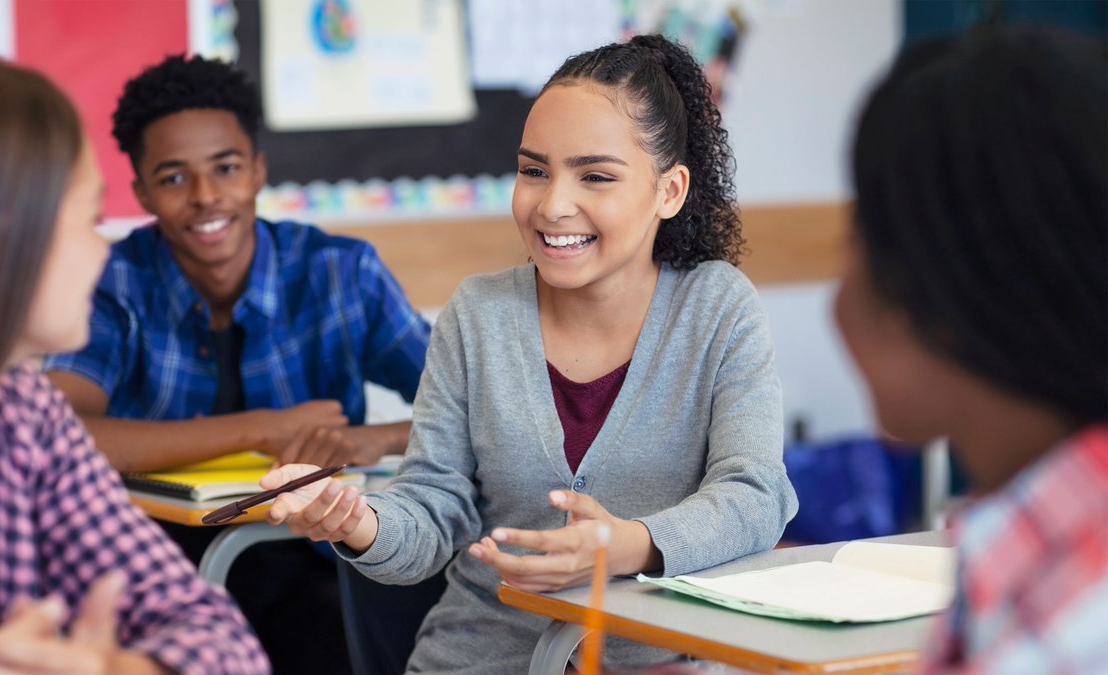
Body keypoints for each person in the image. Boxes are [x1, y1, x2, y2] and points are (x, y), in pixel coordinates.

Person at [262, 34, 799, 674]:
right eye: (533, 170)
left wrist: (628, 545)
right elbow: (433, 509)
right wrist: (357, 521)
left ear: (669, 191)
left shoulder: (717, 309)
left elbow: (756, 495)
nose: (552, 205)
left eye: (595, 176)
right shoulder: (478, 314)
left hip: (661, 664)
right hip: (476, 662)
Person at [41, 54, 434, 674]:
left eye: (224, 168)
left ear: (256, 171)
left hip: (314, 557)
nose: (205, 198)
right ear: (141, 191)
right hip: (155, 566)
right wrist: (262, 428)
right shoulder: (113, 281)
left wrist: (370, 440)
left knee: (356, 626)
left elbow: (473, 409)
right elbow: (61, 434)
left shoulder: (341, 273)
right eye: (173, 178)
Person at [0, 54, 268, 674]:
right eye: (88, 220)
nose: (102, 253)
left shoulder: (24, 415)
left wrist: (117, 670)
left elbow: (223, 643)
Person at [833, 26, 1107, 673]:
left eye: (857, 238)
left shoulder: (1072, 629)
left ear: (932, 291)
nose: (838, 299)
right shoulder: (1016, 544)